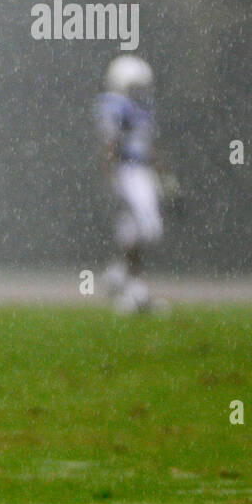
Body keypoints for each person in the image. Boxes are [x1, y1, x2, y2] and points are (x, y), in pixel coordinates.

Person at [97, 54, 169, 313]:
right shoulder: (115, 105)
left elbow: (150, 143)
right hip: (127, 170)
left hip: (143, 172)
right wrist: (113, 176)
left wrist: (163, 176)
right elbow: (110, 144)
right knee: (146, 227)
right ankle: (133, 291)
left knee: (135, 231)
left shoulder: (143, 107)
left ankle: (119, 277)